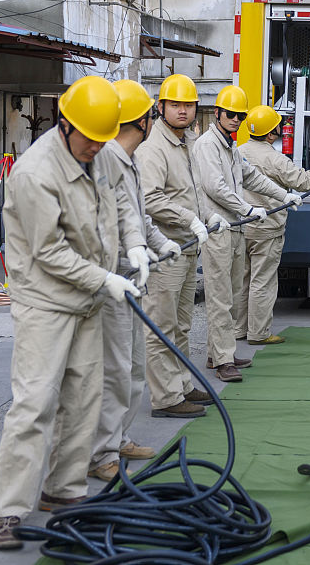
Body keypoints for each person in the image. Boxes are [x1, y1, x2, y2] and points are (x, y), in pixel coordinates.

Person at [0, 75, 150, 550]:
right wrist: (107, 279)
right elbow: (49, 253)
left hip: (89, 301)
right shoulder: (36, 173)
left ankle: (64, 491)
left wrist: (136, 244)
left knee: (84, 398)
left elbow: (121, 198)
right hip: (46, 302)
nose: (97, 150)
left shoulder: (97, 154)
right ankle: (9, 511)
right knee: (35, 404)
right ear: (65, 125)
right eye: (90, 140)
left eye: (103, 141)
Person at [87, 80, 183, 483]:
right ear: (143, 119)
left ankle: (118, 437)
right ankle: (101, 453)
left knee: (133, 366)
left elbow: (138, 217)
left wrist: (162, 244)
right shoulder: (106, 159)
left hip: (130, 279)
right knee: (114, 369)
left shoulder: (130, 159)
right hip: (109, 281)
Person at [192, 86, 298, 381]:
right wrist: (248, 209)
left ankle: (219, 353)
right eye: (231, 115)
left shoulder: (230, 146)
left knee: (233, 292)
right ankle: (224, 360)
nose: (236, 120)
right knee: (221, 297)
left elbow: (252, 176)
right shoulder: (207, 145)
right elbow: (215, 187)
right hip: (219, 230)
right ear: (218, 114)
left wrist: (283, 196)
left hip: (235, 229)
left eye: (240, 115)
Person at [137, 73, 221, 418]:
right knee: (161, 327)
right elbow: (149, 198)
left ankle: (182, 384)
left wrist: (206, 216)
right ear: (161, 107)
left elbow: (189, 191)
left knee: (183, 324)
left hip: (187, 247)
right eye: (176, 105)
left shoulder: (185, 142)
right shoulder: (153, 148)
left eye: (188, 105)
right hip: (165, 249)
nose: (183, 110)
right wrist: (189, 218)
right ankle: (166, 397)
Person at [239, 105, 310, 344]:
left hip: (243, 227)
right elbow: (302, 182)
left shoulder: (239, 151)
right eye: (278, 124)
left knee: (242, 280)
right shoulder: (274, 158)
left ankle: (239, 330)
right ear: (270, 133)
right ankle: (259, 333)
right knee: (262, 282)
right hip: (267, 230)